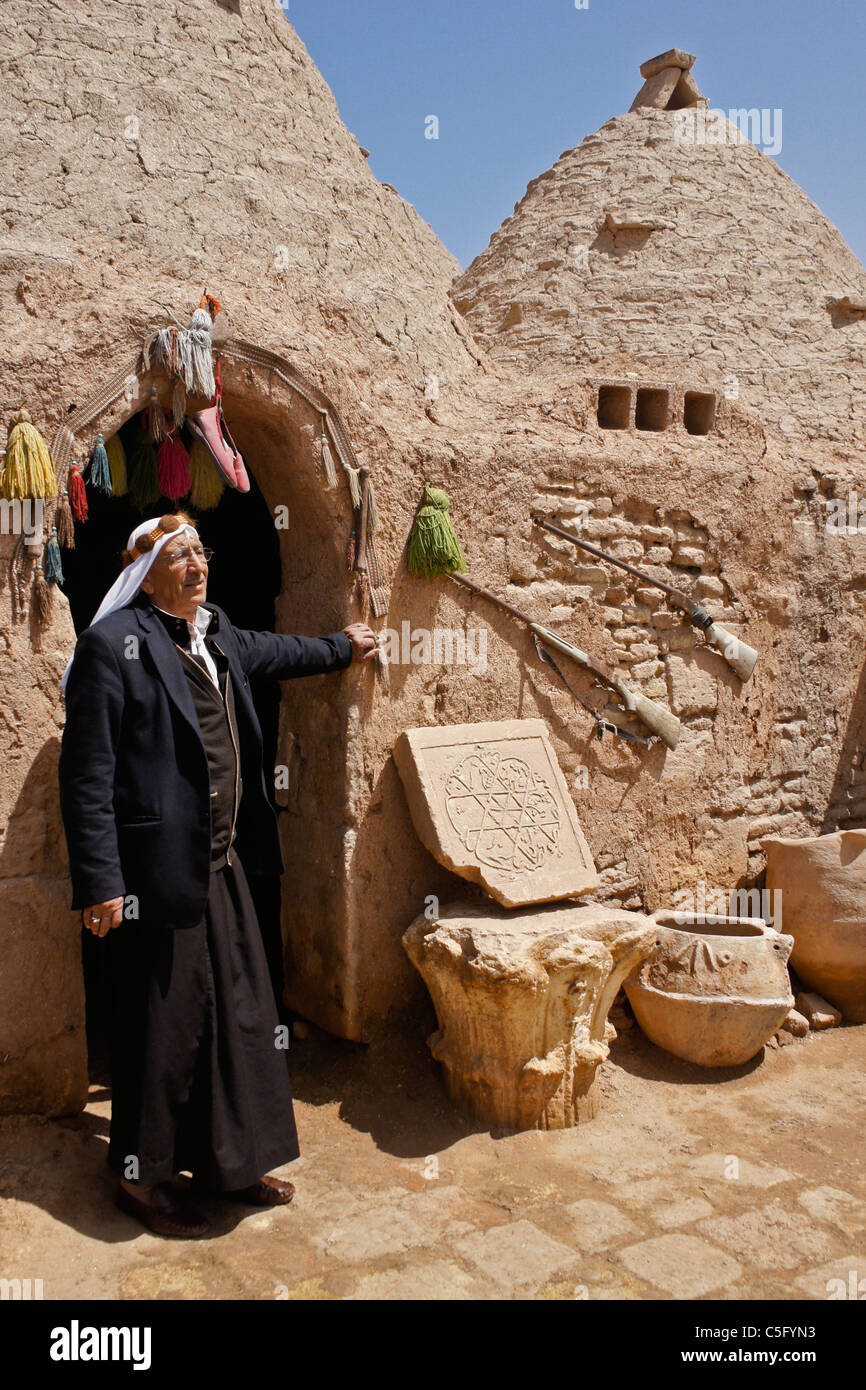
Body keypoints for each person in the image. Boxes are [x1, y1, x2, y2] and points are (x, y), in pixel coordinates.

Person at [58, 512, 377, 1237]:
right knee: (161, 1029)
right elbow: (87, 775)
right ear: (145, 569)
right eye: (181, 555)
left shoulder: (219, 631)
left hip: (223, 861)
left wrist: (340, 648)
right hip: (151, 879)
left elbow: (274, 651)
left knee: (239, 1016)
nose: (198, 564)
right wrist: (102, 881)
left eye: (201, 551)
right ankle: (140, 1182)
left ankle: (232, 1162)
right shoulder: (113, 648)